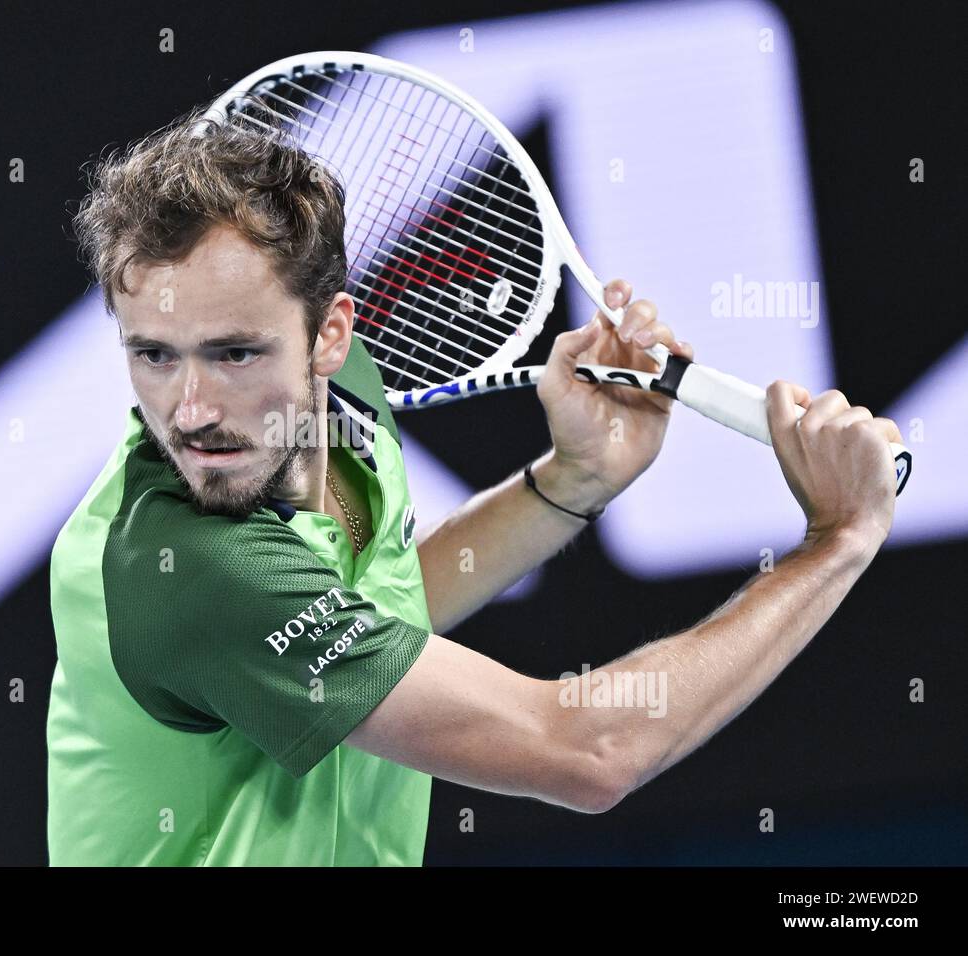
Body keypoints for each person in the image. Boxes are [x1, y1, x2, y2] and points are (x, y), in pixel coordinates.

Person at [45, 110, 904, 866]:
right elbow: (588, 755)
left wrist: (574, 477)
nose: (191, 409)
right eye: (153, 354)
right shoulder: (193, 567)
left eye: (235, 353)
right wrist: (838, 540)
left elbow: (370, 606)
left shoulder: (342, 410)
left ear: (330, 335)